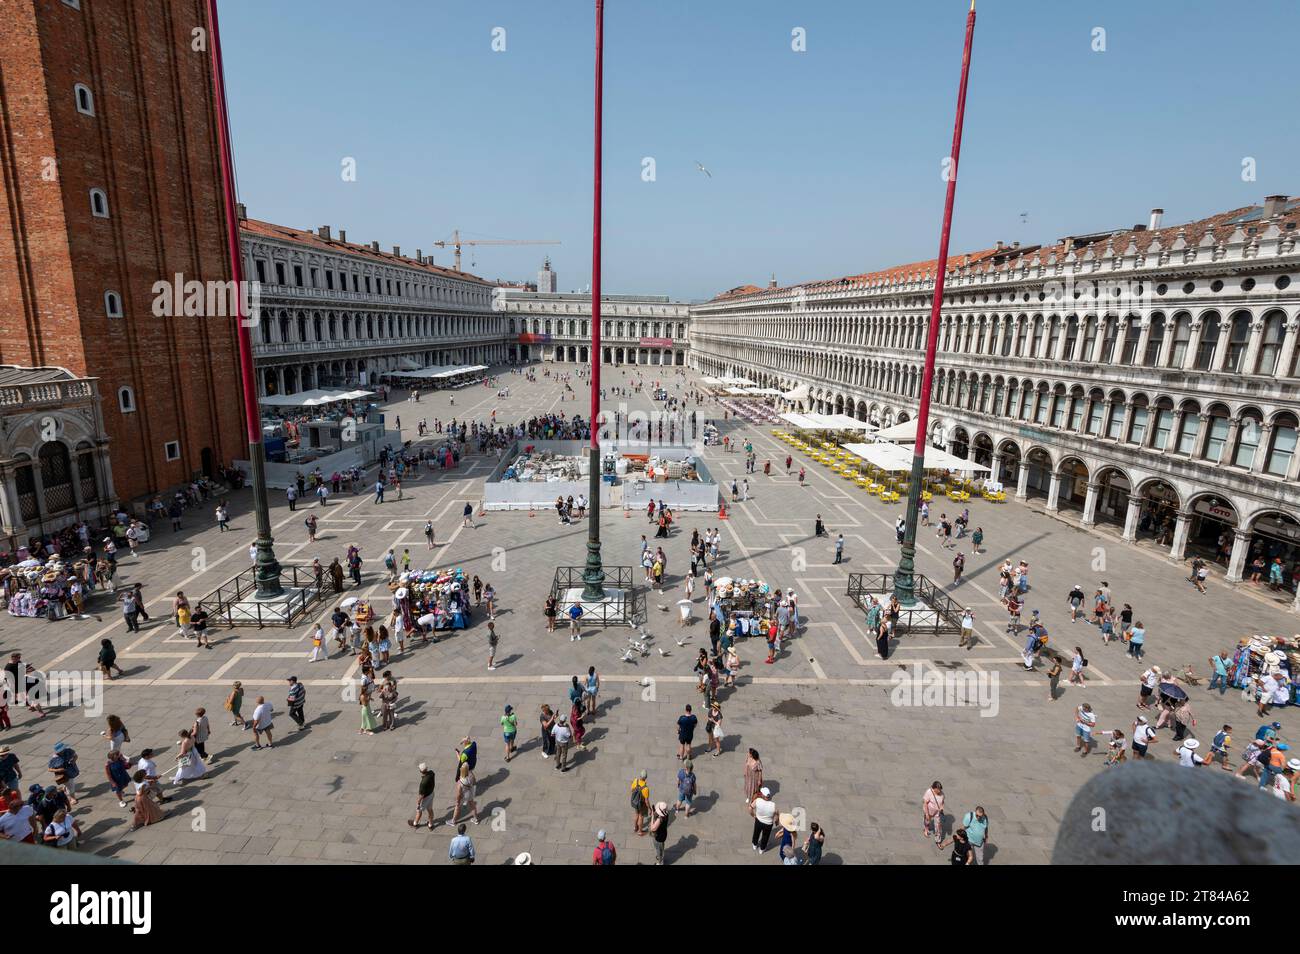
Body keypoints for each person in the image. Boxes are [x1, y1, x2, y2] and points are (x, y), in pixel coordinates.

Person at [751, 786, 776, 852]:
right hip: (768, 824)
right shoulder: (773, 805)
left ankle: (754, 844)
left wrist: (753, 815)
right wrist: (776, 820)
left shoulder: (758, 801)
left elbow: (750, 808)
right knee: (765, 836)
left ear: (763, 795)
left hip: (758, 821)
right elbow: (776, 814)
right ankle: (762, 849)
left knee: (756, 833)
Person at [922, 781, 945, 847]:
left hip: (937, 812)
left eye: (940, 789)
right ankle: (926, 829)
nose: (939, 791)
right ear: (933, 788)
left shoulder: (942, 794)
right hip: (929, 810)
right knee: (927, 820)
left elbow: (942, 802)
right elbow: (925, 803)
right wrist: (926, 813)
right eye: (938, 789)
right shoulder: (929, 792)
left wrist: (942, 808)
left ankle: (938, 840)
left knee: (938, 826)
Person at [630, 771, 651, 836]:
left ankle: (635, 827)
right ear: (646, 778)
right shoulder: (645, 788)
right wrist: (650, 808)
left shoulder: (635, 781)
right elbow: (646, 801)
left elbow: (632, 790)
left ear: (640, 776)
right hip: (642, 804)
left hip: (635, 802)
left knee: (636, 814)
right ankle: (639, 831)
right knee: (641, 817)